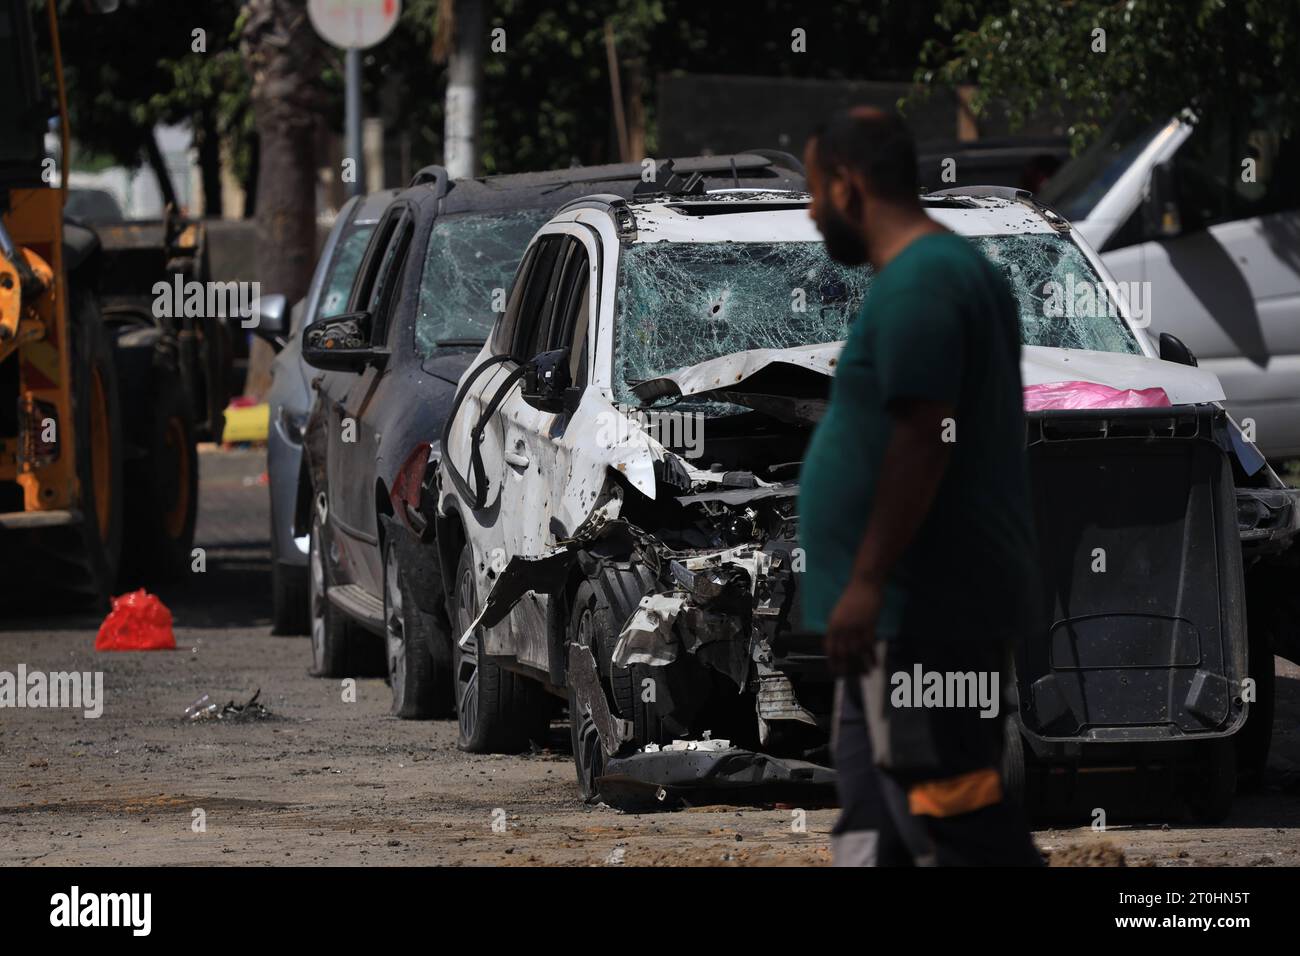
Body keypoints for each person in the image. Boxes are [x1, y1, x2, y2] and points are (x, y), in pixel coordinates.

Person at [799, 107, 1042, 866]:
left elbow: (923, 441)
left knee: (952, 814)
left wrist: (867, 583)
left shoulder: (924, 284)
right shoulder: (937, 274)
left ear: (848, 185)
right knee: (872, 820)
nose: (810, 212)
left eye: (812, 190)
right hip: (890, 626)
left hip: (921, 614)